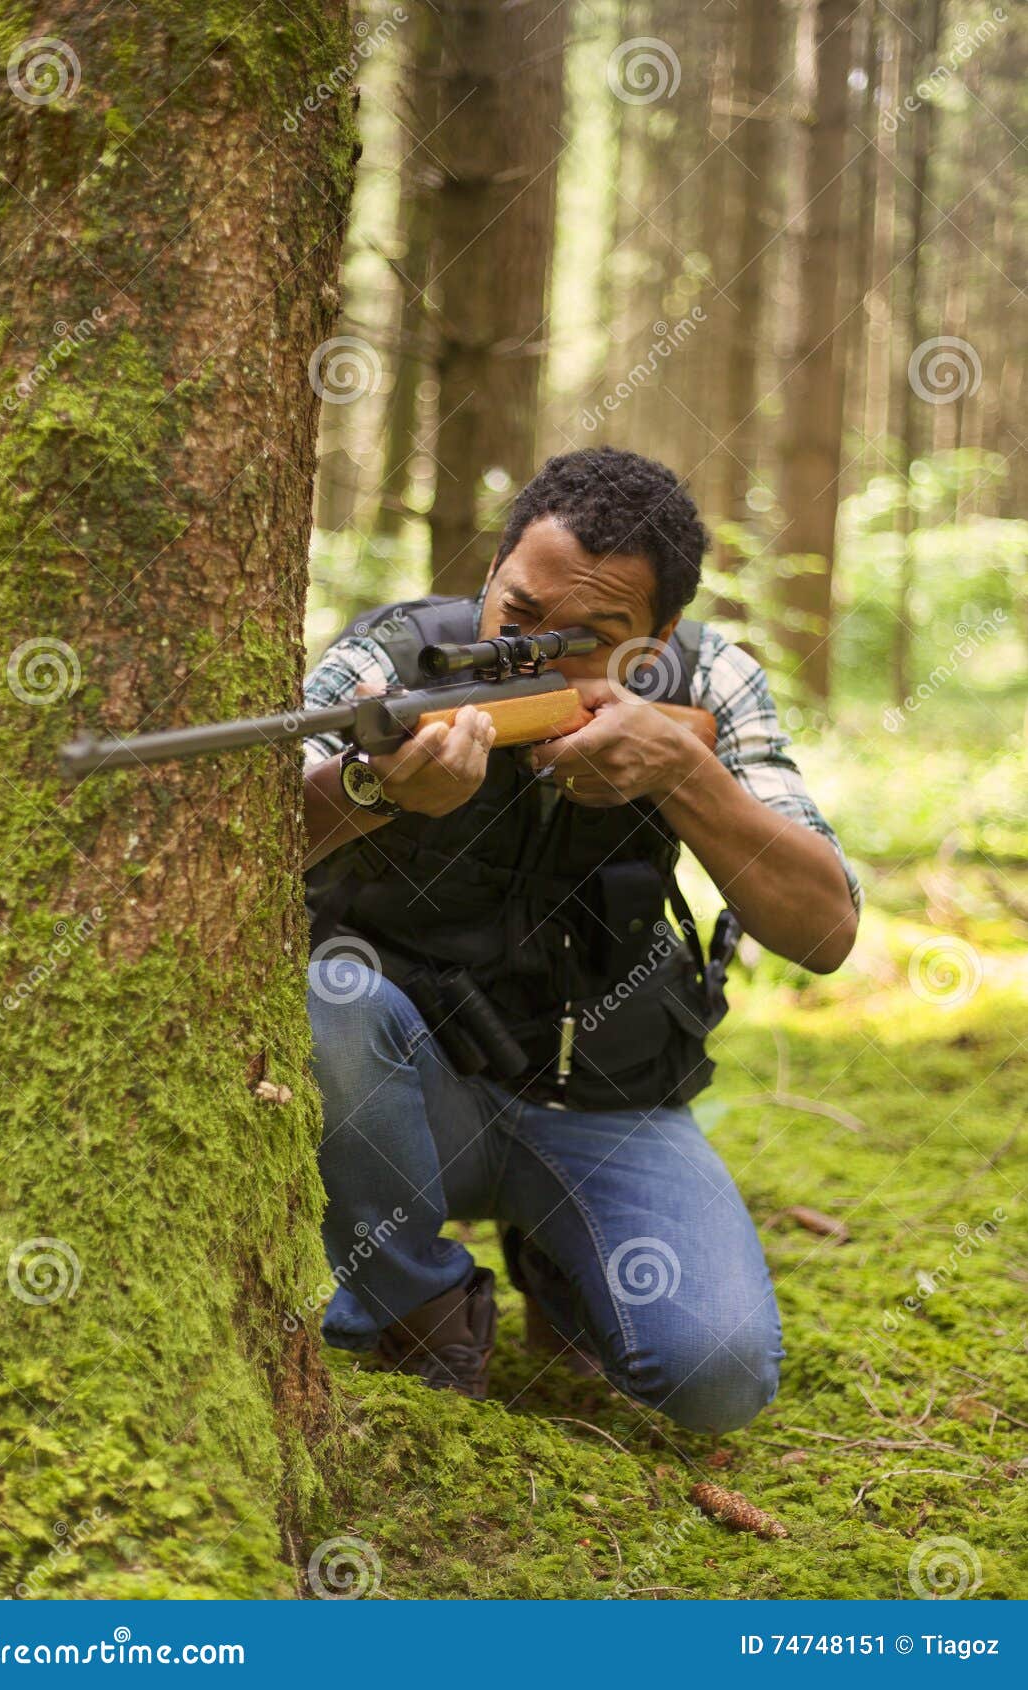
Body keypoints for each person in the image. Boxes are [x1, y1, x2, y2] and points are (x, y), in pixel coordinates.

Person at [300, 445, 860, 1431]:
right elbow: (231, 843)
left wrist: (684, 776)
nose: (533, 654)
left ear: (659, 635)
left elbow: (824, 928)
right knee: (327, 994)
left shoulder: (711, 680)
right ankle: (419, 1305)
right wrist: (370, 791)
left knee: (717, 1375)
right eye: (518, 616)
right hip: (406, 1098)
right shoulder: (392, 656)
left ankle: (558, 1261)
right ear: (492, 570)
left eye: (586, 638)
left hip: (604, 1103)